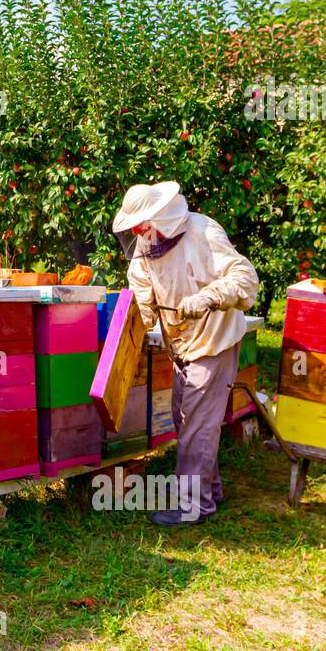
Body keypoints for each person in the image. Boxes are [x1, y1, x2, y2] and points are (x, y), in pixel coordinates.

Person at [112, 182, 259, 526]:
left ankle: (193, 506)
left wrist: (208, 297)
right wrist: (126, 327)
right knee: (187, 420)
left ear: (162, 217)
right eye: (134, 228)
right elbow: (143, 301)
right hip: (180, 345)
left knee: (196, 425)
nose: (138, 233)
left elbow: (245, 277)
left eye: (142, 225)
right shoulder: (146, 247)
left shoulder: (203, 231)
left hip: (214, 341)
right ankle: (212, 490)